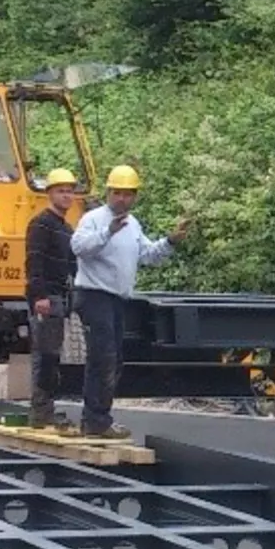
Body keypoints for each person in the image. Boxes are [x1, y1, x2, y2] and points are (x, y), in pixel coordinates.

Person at [66, 165, 182, 439]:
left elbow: (148, 255)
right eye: (118, 193)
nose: (122, 199)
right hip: (94, 295)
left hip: (117, 299)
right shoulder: (93, 219)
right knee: (103, 357)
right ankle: (95, 421)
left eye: (128, 194)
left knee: (113, 359)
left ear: (135, 197)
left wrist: (170, 242)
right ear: (108, 193)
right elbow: (79, 247)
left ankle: (98, 418)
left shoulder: (133, 224)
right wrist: (108, 232)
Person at [24, 169, 82, 429]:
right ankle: (41, 413)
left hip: (59, 297)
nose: (67, 195)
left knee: (52, 354)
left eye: (70, 190)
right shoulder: (41, 224)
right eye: (61, 190)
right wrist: (39, 296)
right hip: (46, 298)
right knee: (45, 355)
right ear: (49, 194)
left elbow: (72, 266)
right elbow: (33, 261)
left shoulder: (65, 228)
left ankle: (45, 409)